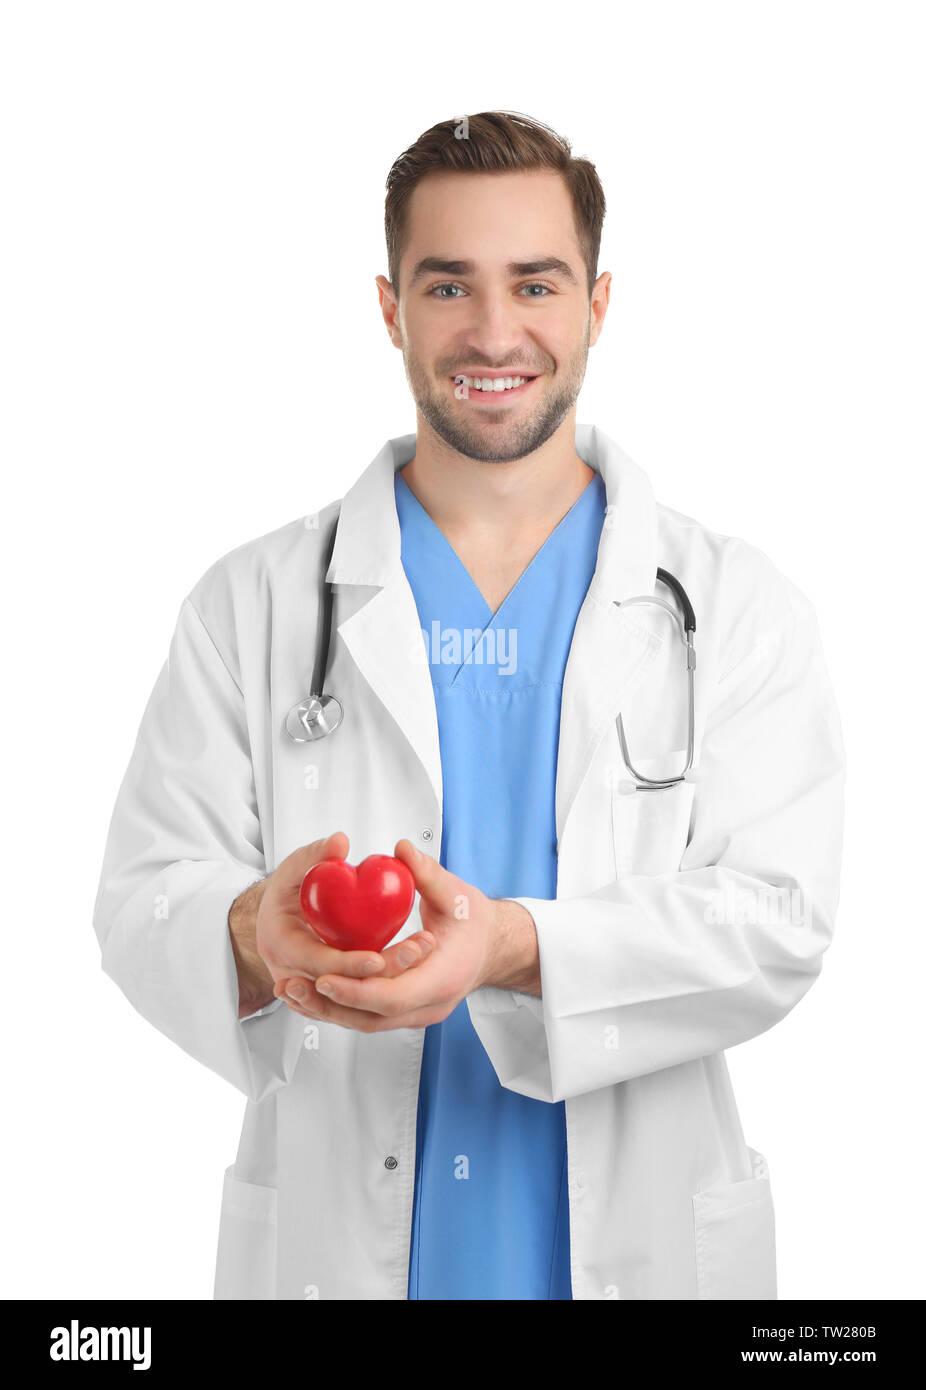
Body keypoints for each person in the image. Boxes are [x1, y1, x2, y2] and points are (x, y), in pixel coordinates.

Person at [92, 110, 846, 1301]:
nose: (494, 332)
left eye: (534, 283)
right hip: (336, 1251)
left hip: (637, 1245)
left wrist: (512, 946)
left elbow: (777, 919)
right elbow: (140, 899)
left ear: (597, 304)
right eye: (448, 285)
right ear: (389, 307)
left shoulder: (732, 607)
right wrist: (248, 931)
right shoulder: (253, 603)